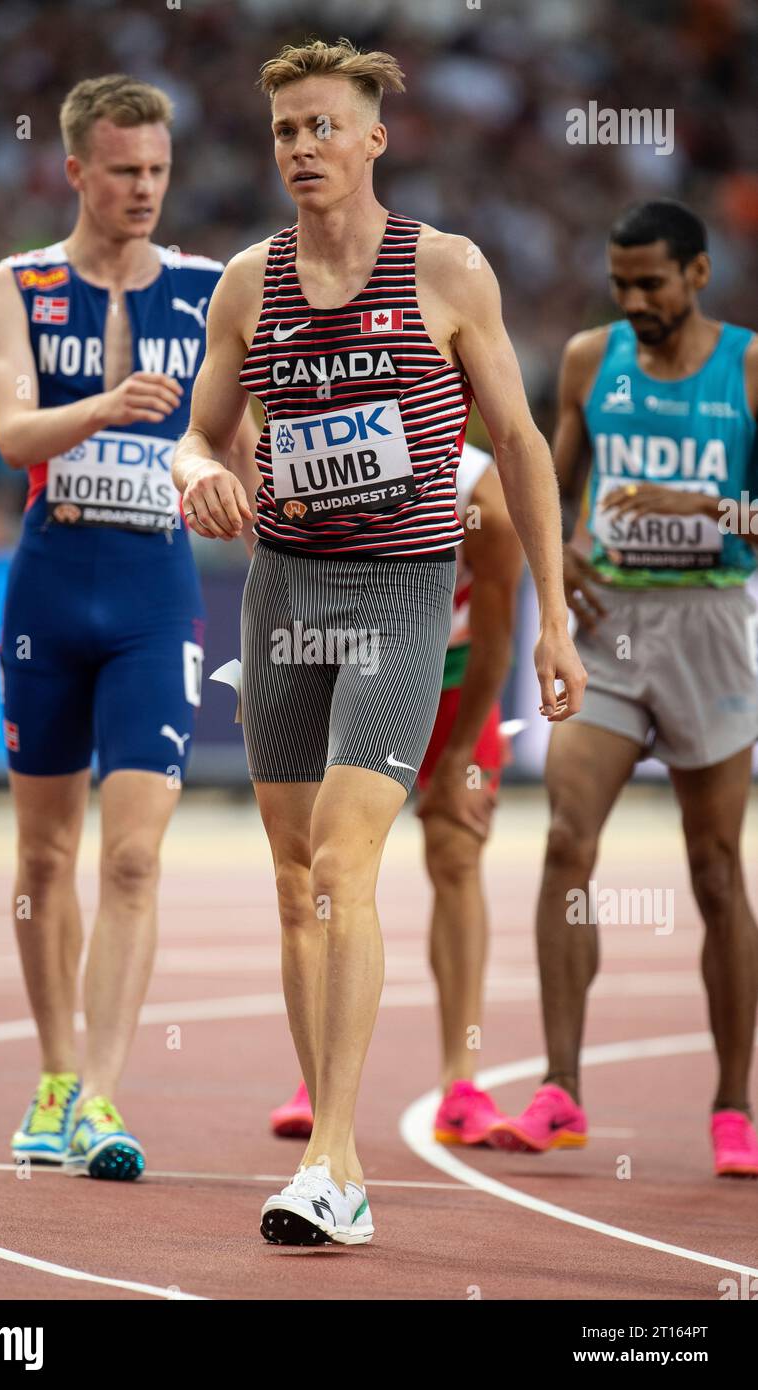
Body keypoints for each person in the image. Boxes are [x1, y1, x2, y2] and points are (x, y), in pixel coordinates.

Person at [172, 38, 584, 1244]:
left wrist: (552, 622)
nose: (300, 147)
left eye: (320, 128)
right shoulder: (246, 283)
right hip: (283, 595)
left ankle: (338, 1166)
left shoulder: (448, 271)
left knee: (347, 865)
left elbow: (518, 450)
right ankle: (331, 1146)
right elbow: (198, 435)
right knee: (297, 877)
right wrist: (197, 473)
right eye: (283, 130)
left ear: (372, 139)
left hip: (402, 593)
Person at [0, 74, 254, 1180]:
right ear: (76, 171)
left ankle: (100, 1094)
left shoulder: (205, 288)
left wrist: (260, 492)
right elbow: (9, 429)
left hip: (153, 594)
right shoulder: (21, 282)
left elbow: (239, 445)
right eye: (123, 170)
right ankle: (53, 1075)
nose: (143, 188)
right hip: (50, 584)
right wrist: (101, 406)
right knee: (44, 854)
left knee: (133, 857)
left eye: (158, 170)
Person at [488, 200, 758, 1178]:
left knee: (716, 869)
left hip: (708, 627)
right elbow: (544, 486)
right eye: (619, 284)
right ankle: (560, 1087)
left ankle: (732, 1104)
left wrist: (709, 504)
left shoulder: (746, 367)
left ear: (695, 274)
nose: (633, 300)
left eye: (650, 282)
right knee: (564, 839)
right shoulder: (583, 361)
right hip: (607, 637)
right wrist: (558, 546)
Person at [268, 442, 525, 1146]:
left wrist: (460, 758)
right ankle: (314, 1075)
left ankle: (461, 1083)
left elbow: (499, 635)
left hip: (451, 677)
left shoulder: (488, 508)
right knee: (327, 863)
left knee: (456, 852)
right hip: (350, 669)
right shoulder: (335, 457)